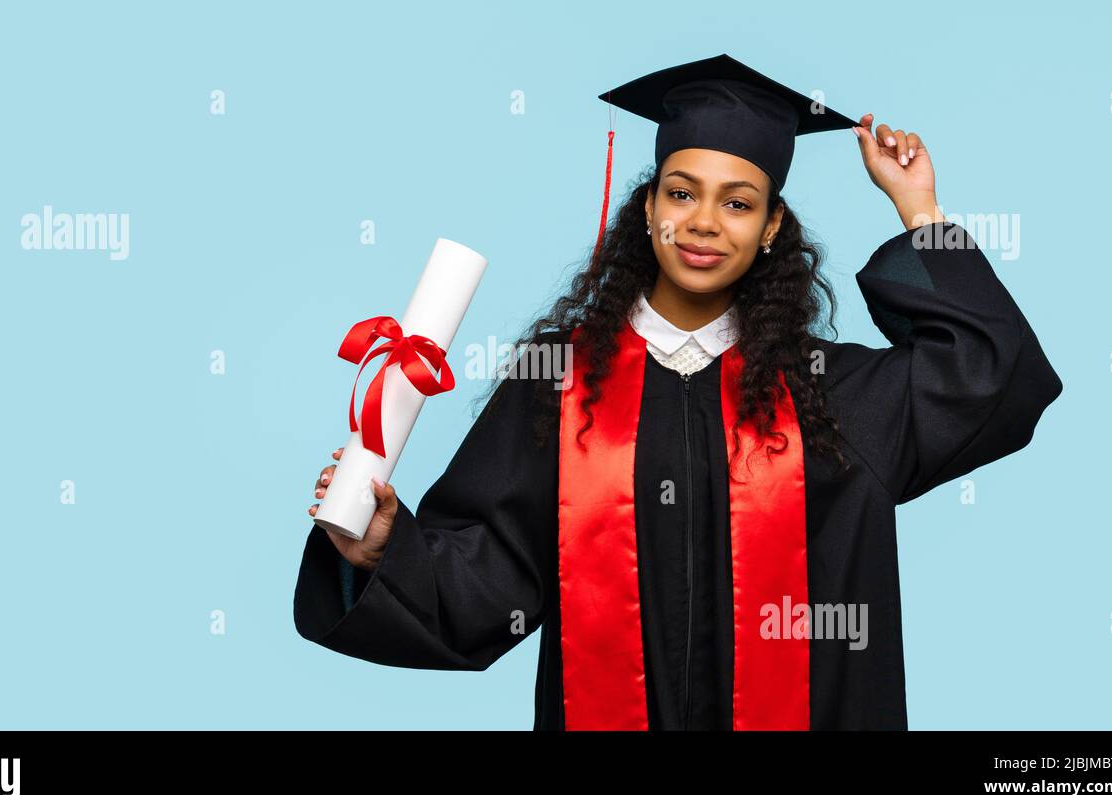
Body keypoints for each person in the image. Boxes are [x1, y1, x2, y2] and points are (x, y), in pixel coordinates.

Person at [294, 54, 1063, 730]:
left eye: (737, 202)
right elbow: (489, 575)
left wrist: (918, 209)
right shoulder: (561, 391)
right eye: (681, 193)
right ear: (650, 207)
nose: (703, 223)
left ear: (771, 227)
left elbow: (987, 373)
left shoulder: (832, 396)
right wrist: (387, 548)